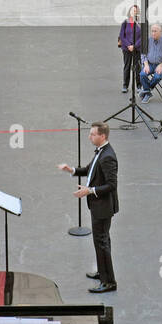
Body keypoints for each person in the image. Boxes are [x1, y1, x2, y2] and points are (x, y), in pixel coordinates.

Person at [57, 122, 118, 293]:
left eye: (92, 134)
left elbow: (112, 185)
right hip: (99, 206)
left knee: (102, 242)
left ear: (102, 136)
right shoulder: (102, 152)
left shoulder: (108, 157)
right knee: (102, 241)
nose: (89, 137)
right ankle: (102, 272)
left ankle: (109, 282)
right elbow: (90, 170)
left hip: (103, 207)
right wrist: (71, 170)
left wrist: (89, 190)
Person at [138, 24, 162, 103]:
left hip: (161, 65)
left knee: (157, 77)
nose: (153, 33)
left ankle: (146, 91)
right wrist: (146, 64)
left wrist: (161, 65)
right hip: (149, 64)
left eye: (155, 31)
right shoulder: (148, 41)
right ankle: (147, 92)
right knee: (142, 74)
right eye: (152, 31)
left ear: (160, 32)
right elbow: (143, 54)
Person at [116, 4, 141, 94]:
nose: (134, 12)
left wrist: (134, 46)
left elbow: (142, 37)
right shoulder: (125, 23)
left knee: (137, 67)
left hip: (137, 48)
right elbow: (122, 36)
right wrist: (128, 45)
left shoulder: (140, 23)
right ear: (129, 12)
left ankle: (138, 85)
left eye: (136, 11)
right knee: (127, 66)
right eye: (132, 10)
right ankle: (125, 85)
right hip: (127, 49)